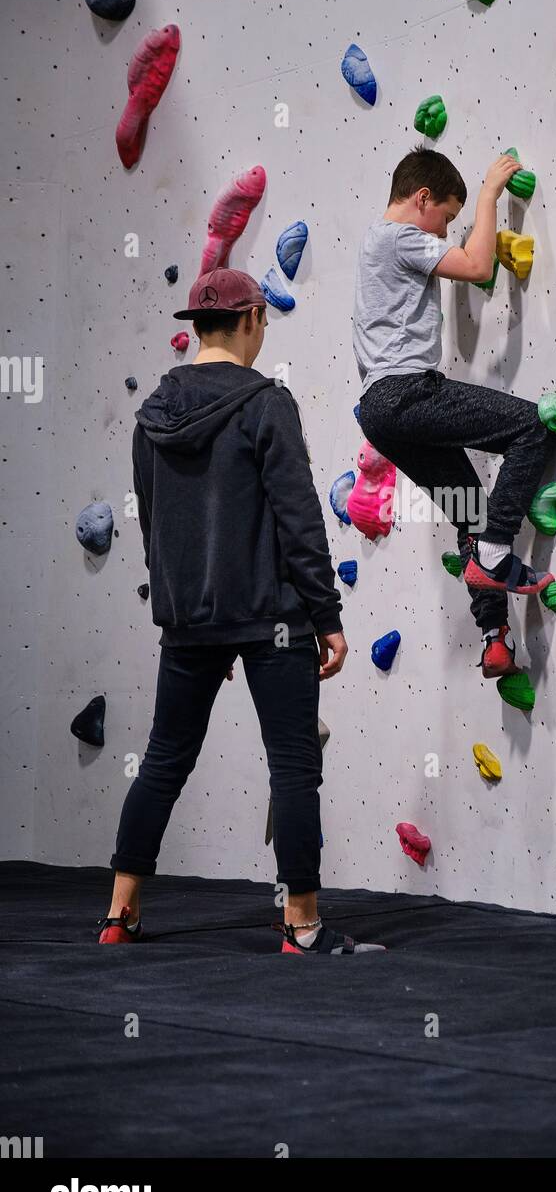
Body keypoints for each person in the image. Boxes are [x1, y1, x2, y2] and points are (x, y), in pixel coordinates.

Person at [97, 267, 384, 955]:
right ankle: (303, 925)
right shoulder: (266, 402)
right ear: (253, 317)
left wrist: (185, 614)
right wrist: (328, 616)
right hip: (272, 614)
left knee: (163, 759)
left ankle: (119, 916)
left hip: (191, 619)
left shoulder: (152, 417)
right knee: (292, 764)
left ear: (198, 326)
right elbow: (300, 519)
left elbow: (155, 526)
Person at [354, 145, 556, 678]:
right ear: (422, 198)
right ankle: (495, 552)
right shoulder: (400, 236)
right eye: (446, 217)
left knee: (469, 507)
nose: (444, 233)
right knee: (532, 427)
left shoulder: (375, 247)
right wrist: (489, 193)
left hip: (381, 412)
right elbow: (477, 265)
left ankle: (494, 637)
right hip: (406, 392)